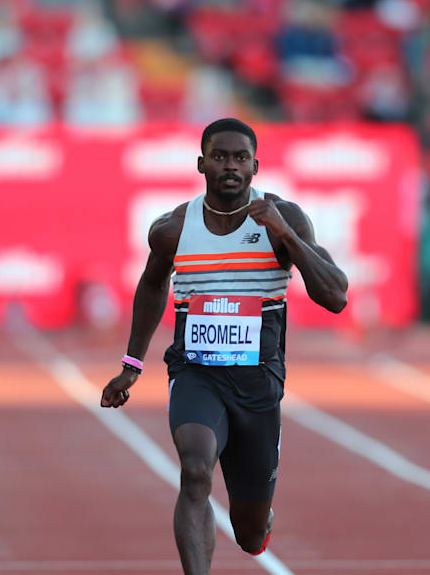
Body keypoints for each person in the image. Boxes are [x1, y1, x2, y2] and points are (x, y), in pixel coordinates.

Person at [100, 118, 348, 574]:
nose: (230, 166)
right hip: (196, 374)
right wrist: (132, 364)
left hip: (258, 382)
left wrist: (286, 236)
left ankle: (257, 521)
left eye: (240, 158)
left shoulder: (284, 218)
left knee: (249, 532)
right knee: (195, 471)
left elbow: (336, 296)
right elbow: (152, 285)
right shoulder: (174, 228)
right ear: (201, 164)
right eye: (219, 157)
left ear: (255, 166)